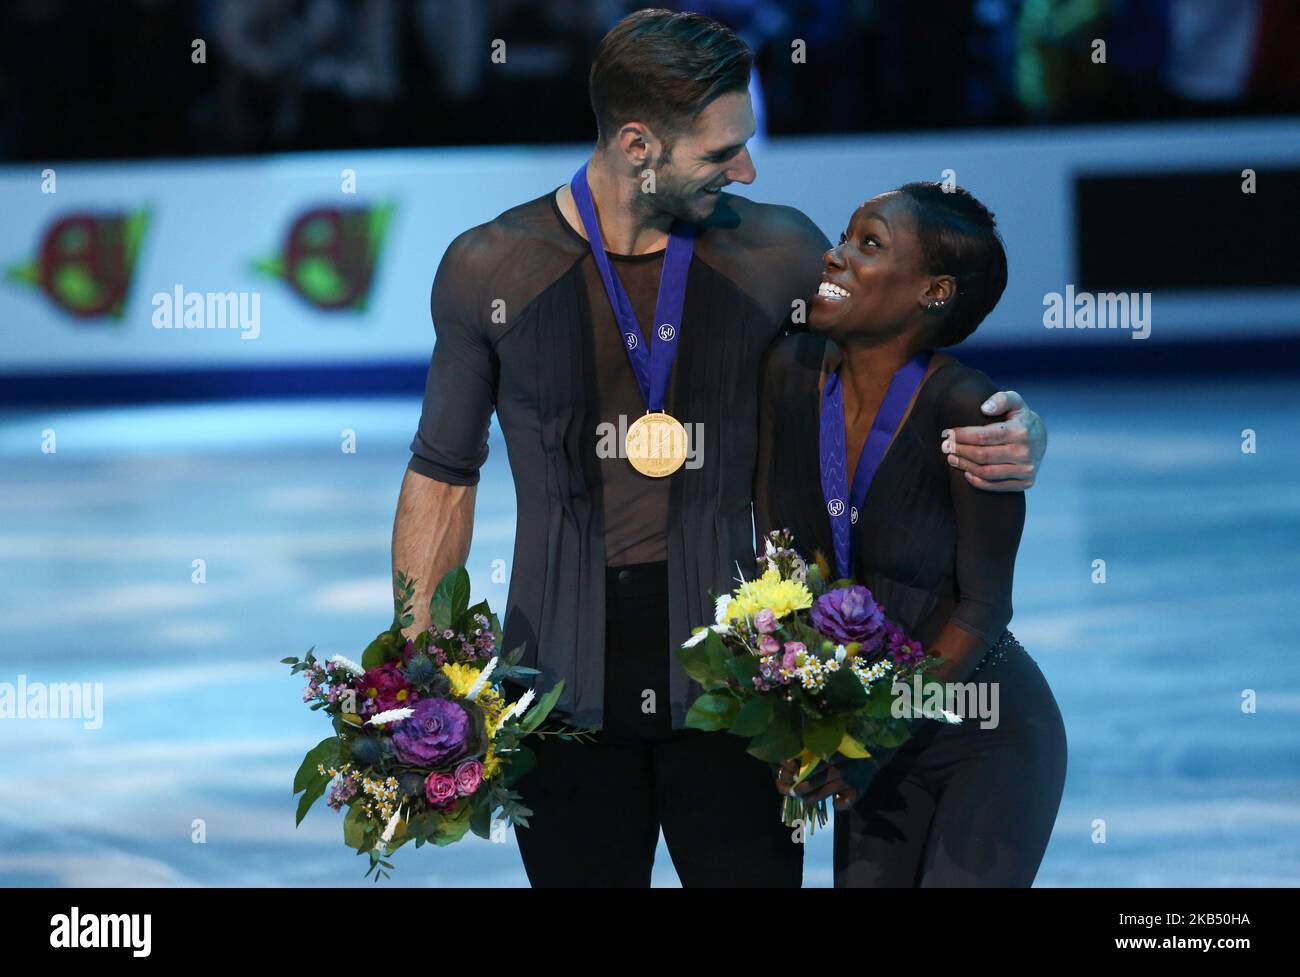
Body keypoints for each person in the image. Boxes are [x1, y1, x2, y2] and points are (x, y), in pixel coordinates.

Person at [390, 9, 1047, 887]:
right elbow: (443, 471)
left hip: (742, 698)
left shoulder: (776, 253)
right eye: (720, 152)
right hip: (554, 691)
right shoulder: (489, 268)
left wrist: (1020, 424)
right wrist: (416, 656)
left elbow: (899, 360)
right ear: (637, 145)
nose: (745, 168)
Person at [759, 183, 1067, 886]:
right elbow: (777, 559)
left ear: (934, 290)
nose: (834, 257)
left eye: (869, 244)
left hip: (986, 733)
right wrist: (808, 720)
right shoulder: (790, 370)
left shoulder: (966, 405)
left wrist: (874, 731)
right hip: (872, 732)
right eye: (845, 237)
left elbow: (986, 607)